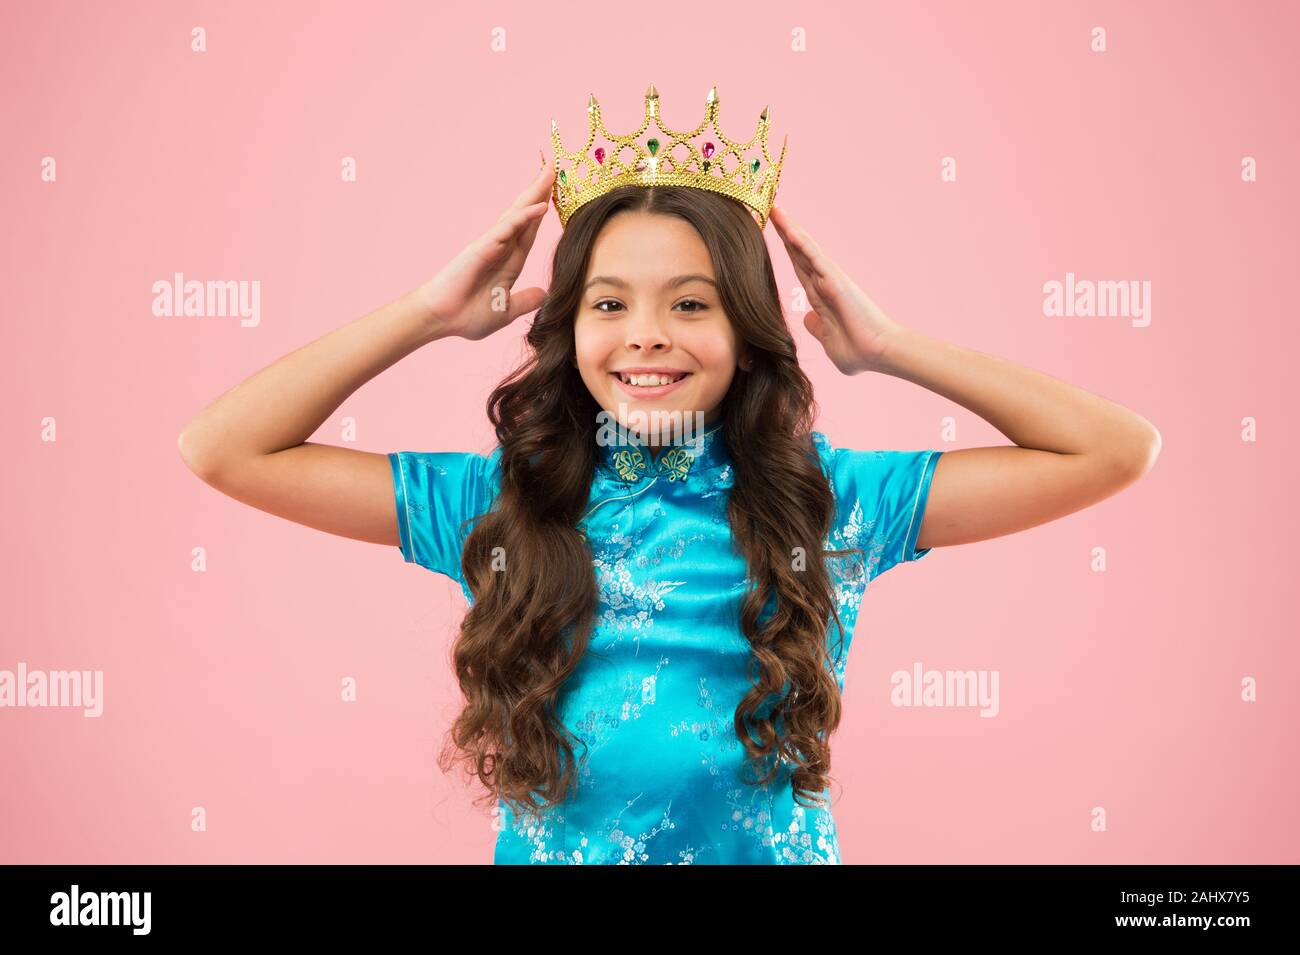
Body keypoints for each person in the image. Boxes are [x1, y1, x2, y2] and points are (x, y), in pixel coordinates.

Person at [177, 98, 1160, 865]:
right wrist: (425, 313)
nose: (646, 331)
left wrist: (892, 349)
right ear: (570, 330)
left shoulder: (834, 501)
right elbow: (224, 447)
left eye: (690, 302)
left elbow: (1112, 448)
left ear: (745, 331)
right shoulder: (498, 506)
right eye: (609, 302)